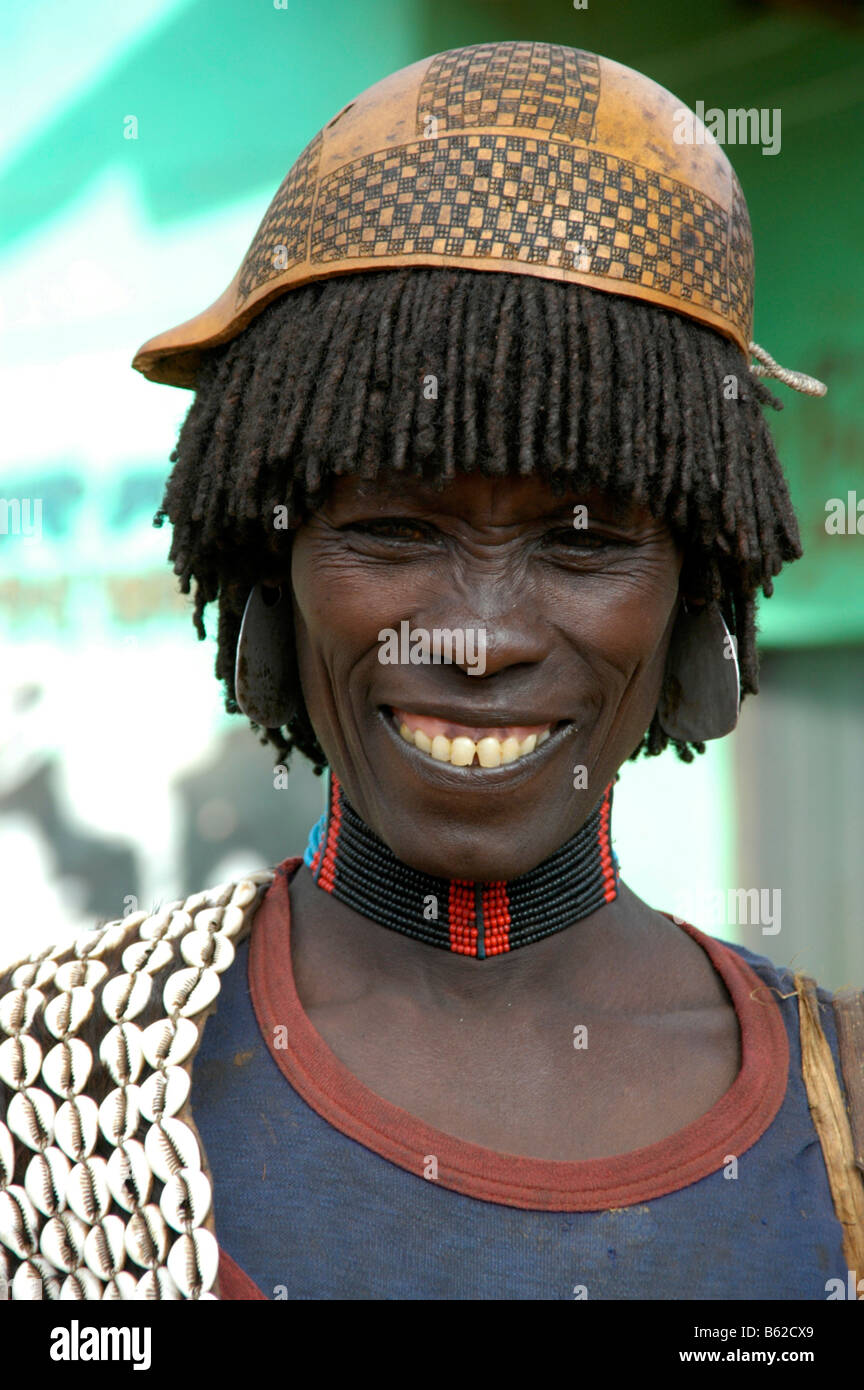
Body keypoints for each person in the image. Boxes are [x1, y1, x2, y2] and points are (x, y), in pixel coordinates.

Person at [1, 40, 861, 1303]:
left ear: (700, 588)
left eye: (586, 539)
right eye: (396, 528)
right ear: (267, 570)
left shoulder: (844, 1104)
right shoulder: (50, 1094)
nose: (477, 633)